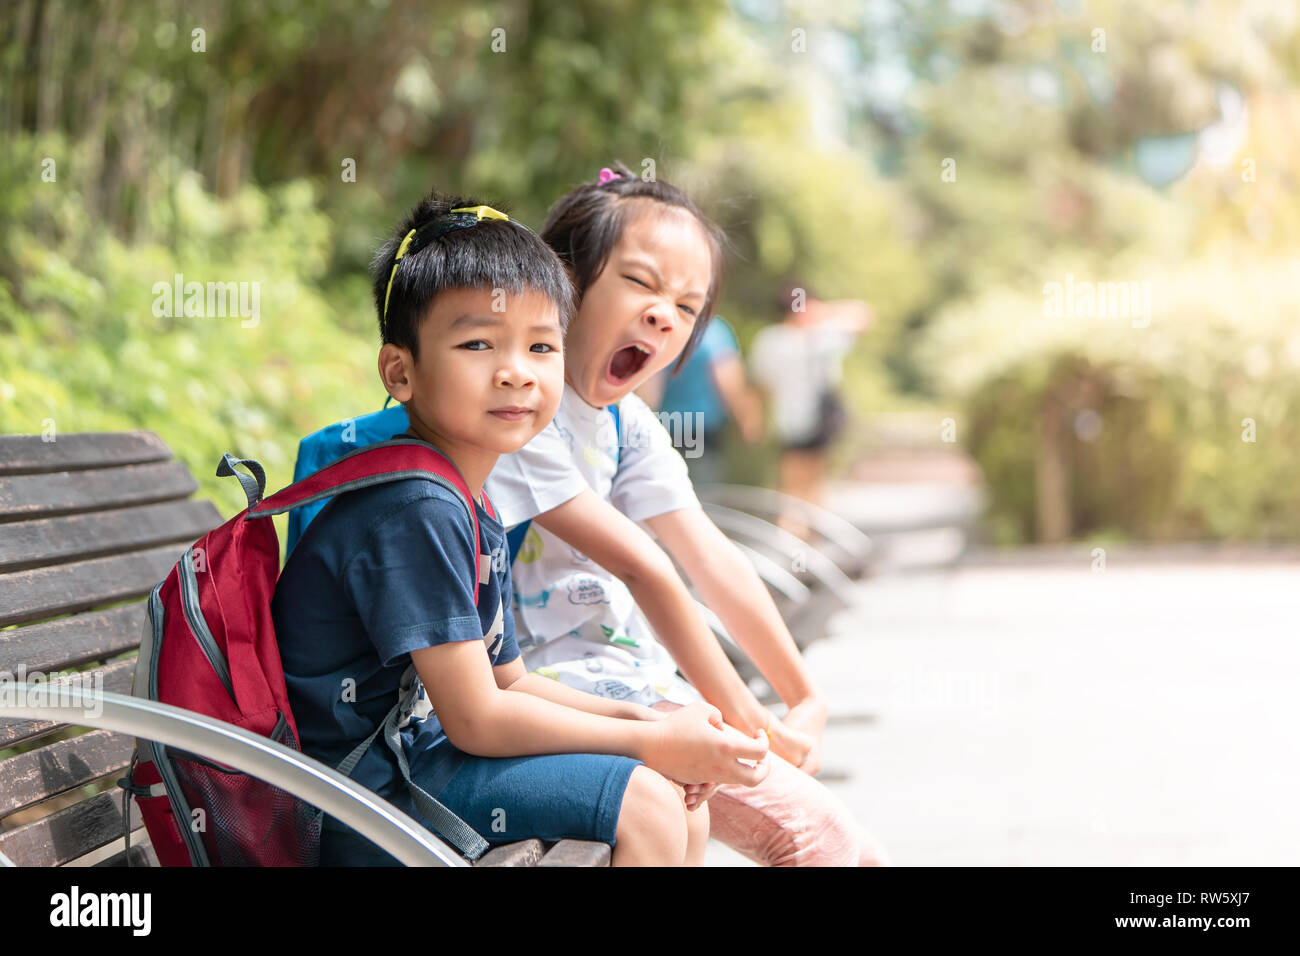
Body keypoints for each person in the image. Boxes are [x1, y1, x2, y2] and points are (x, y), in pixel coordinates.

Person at [272, 189, 769, 867]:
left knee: (677, 797)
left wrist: (656, 724)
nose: (515, 372)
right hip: (365, 799)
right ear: (401, 371)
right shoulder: (414, 509)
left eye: (541, 346)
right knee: (650, 801)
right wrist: (648, 745)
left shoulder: (472, 500)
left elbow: (510, 683)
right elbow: (477, 718)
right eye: (478, 343)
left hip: (415, 763)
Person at [485, 163, 890, 866]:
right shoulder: (523, 416)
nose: (662, 314)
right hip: (561, 698)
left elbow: (710, 556)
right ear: (564, 278)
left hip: (638, 688)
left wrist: (804, 694)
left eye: (687, 304)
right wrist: (752, 721)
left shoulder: (624, 424)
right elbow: (648, 571)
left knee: (833, 844)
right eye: (640, 282)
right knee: (827, 844)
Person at [749, 283, 873, 534]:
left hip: (789, 422)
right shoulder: (823, 336)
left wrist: (757, 421)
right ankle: (807, 539)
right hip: (814, 420)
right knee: (811, 484)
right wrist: (823, 312)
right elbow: (863, 315)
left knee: (792, 485)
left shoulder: (770, 340)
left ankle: (796, 538)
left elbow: (761, 386)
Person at [637, 315, 761, 487]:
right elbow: (729, 382)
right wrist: (746, 422)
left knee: (664, 485)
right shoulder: (714, 331)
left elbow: (650, 385)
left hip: (665, 425)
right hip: (703, 430)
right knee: (703, 492)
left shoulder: (667, 327)